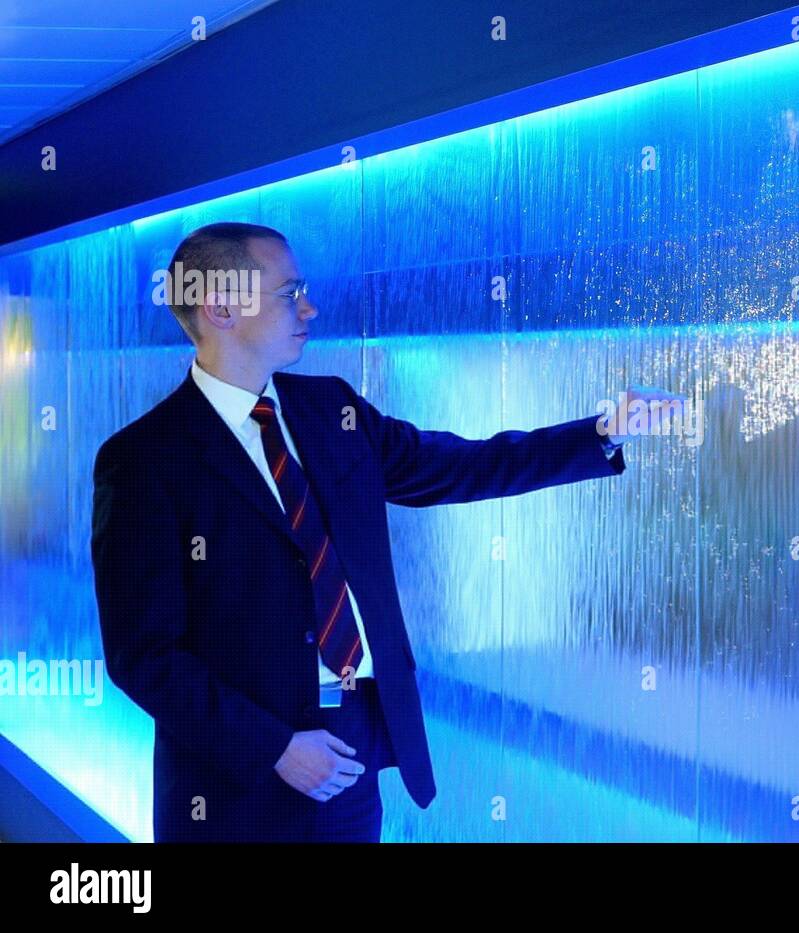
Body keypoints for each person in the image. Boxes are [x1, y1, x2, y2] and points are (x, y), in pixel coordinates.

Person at [90, 221, 681, 842]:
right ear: (220, 307)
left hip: (354, 754)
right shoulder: (143, 459)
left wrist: (602, 433)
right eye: (288, 293)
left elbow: (460, 466)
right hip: (235, 789)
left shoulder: (331, 410)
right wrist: (276, 747)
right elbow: (144, 657)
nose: (308, 307)